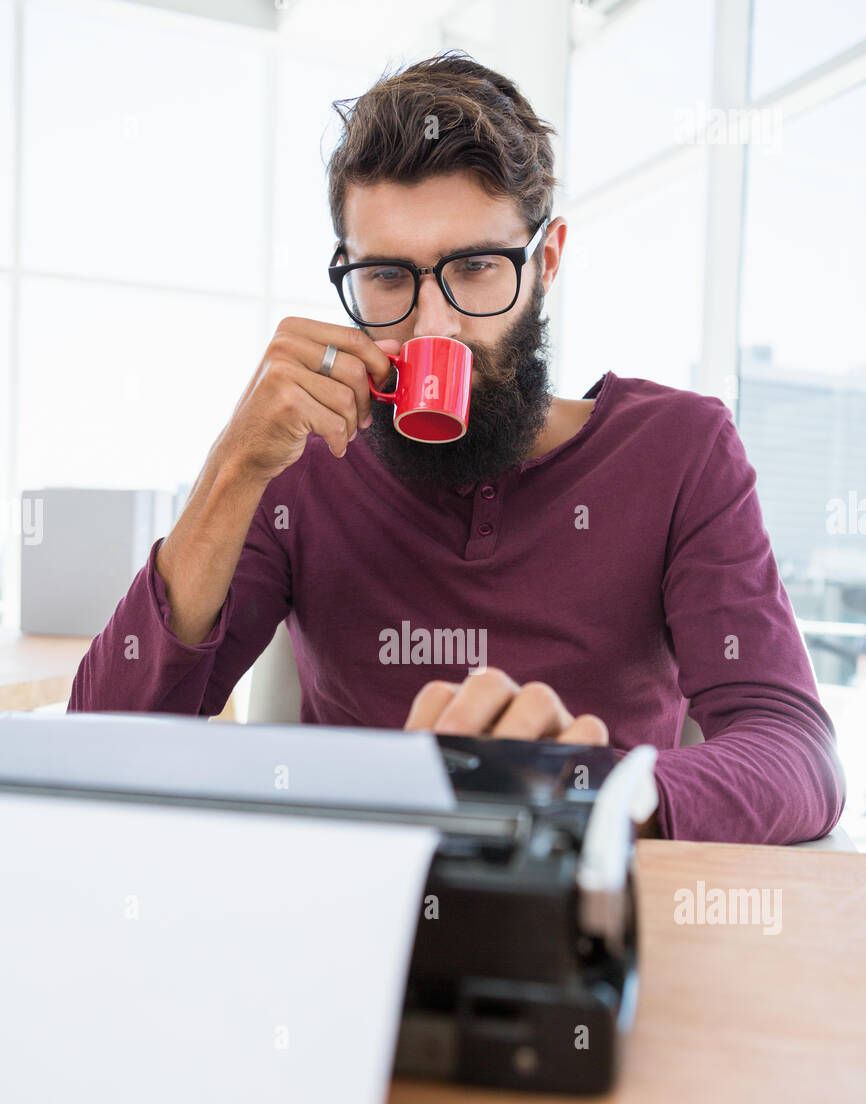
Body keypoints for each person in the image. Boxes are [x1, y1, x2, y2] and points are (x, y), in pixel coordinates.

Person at [67, 53, 845, 844]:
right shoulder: (305, 454)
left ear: (545, 262)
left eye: (474, 268)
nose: (432, 326)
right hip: (358, 890)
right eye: (387, 276)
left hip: (591, 894)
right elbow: (101, 748)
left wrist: (581, 796)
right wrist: (233, 466)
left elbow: (794, 753)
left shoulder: (679, 452)